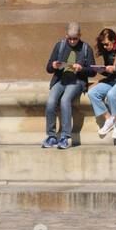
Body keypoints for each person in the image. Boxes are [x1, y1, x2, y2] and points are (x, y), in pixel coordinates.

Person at [44, 21, 94, 150]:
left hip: (77, 81)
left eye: (75, 39)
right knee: (50, 102)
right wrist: (53, 66)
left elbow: (93, 71)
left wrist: (81, 68)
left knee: (65, 100)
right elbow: (48, 68)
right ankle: (51, 136)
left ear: (80, 35)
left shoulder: (86, 48)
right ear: (66, 35)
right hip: (61, 80)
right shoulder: (59, 46)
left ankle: (65, 137)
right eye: (70, 38)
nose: (72, 41)